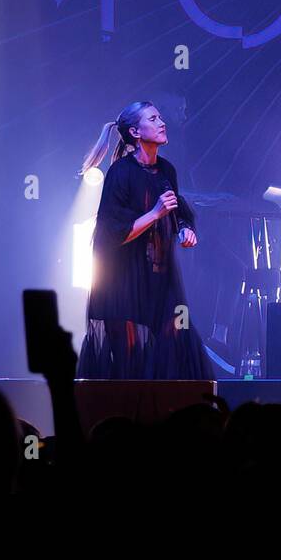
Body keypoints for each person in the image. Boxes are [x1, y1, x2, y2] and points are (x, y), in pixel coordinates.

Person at [77, 101, 210, 379]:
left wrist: (184, 228)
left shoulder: (166, 170)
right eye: (154, 119)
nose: (162, 123)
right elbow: (112, 232)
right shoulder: (120, 173)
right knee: (130, 364)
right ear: (137, 132)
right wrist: (155, 213)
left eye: (161, 117)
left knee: (175, 346)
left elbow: (176, 209)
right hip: (123, 282)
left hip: (159, 280)